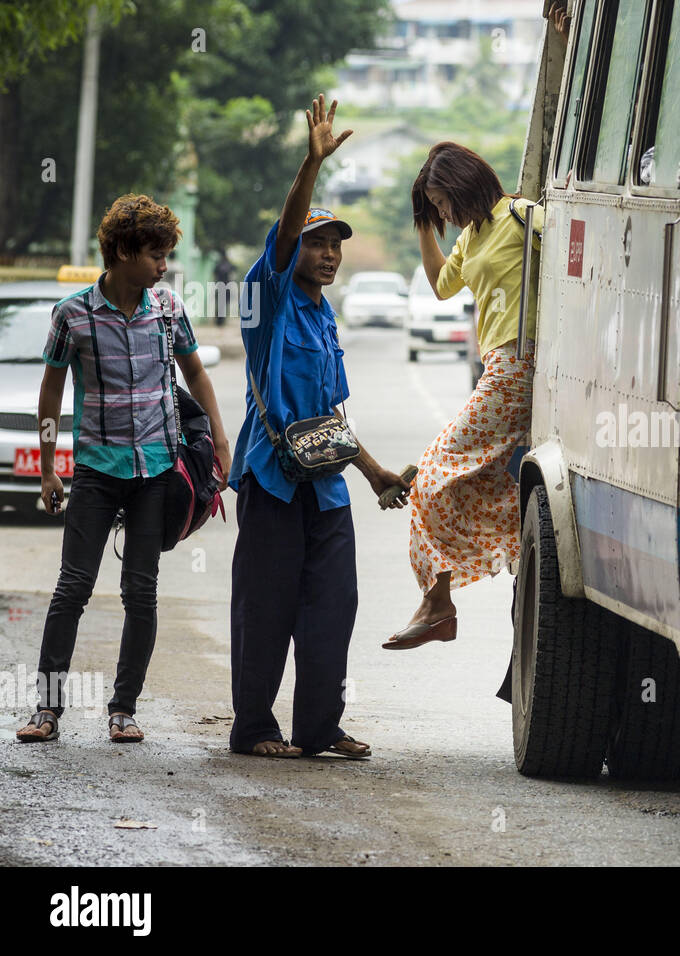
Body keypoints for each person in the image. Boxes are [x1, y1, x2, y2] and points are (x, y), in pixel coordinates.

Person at [227, 95, 410, 758]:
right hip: (273, 483)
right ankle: (252, 728)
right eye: (318, 242)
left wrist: (372, 472)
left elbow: (330, 417)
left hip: (325, 487)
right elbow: (282, 236)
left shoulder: (325, 315)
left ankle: (318, 727)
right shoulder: (267, 298)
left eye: (336, 245)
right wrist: (311, 163)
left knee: (332, 608)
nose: (329, 253)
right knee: (265, 610)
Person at [17, 194, 231, 744]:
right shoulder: (73, 314)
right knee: (73, 588)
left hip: (157, 470)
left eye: (166, 256)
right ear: (122, 252)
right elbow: (50, 391)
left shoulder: (167, 309)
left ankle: (123, 709)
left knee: (142, 590)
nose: (163, 266)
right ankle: (47, 710)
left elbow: (197, 376)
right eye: (155, 254)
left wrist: (221, 439)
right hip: (96, 469)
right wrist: (47, 468)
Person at [384, 142, 539, 650]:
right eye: (436, 207)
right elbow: (441, 286)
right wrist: (423, 223)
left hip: (518, 365)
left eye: (443, 203)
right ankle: (440, 603)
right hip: (494, 367)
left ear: (463, 185)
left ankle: (437, 604)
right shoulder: (471, 238)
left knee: (431, 477)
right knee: (469, 484)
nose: (444, 213)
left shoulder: (522, 216)